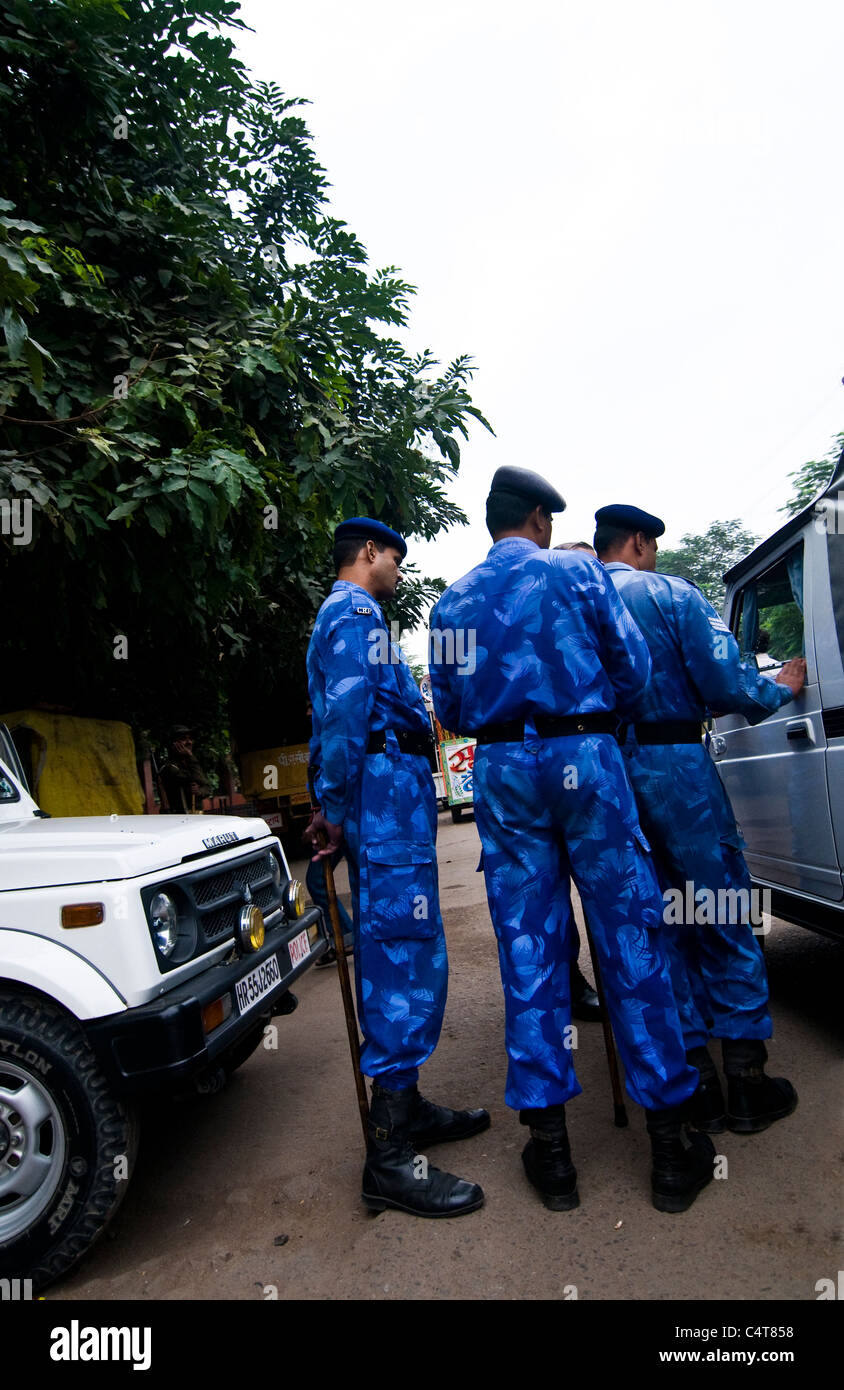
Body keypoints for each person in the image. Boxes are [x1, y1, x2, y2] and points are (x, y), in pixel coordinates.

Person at [429, 468, 714, 1214]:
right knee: (632, 939)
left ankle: (552, 1153)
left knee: (530, 948)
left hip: (501, 770)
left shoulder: (453, 602)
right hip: (586, 761)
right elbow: (633, 670)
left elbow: (452, 707)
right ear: (538, 519)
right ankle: (670, 1147)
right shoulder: (580, 574)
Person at [594, 502, 805, 1133]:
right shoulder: (669, 593)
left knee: (660, 921)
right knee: (718, 905)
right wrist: (780, 687)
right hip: (677, 765)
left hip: (608, 774)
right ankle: (746, 1079)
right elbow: (726, 683)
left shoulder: (578, 602)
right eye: (652, 545)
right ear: (638, 541)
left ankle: (697, 1083)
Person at [306, 516, 489, 1218]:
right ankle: (387, 1157)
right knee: (401, 959)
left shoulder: (345, 613)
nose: (399, 572)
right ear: (368, 554)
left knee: (403, 951)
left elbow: (329, 721)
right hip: (381, 800)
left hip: (383, 797)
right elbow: (347, 718)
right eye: (395, 560)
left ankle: (407, 1110)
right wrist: (335, 807)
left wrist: (330, 806)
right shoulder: (354, 611)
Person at [158, 726, 212, 812]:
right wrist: (190, 756)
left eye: (190, 739)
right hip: (179, 817)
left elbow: (207, 788)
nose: (189, 742)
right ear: (174, 744)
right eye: (183, 739)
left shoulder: (192, 763)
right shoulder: (169, 768)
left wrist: (199, 791)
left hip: (196, 816)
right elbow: (193, 778)